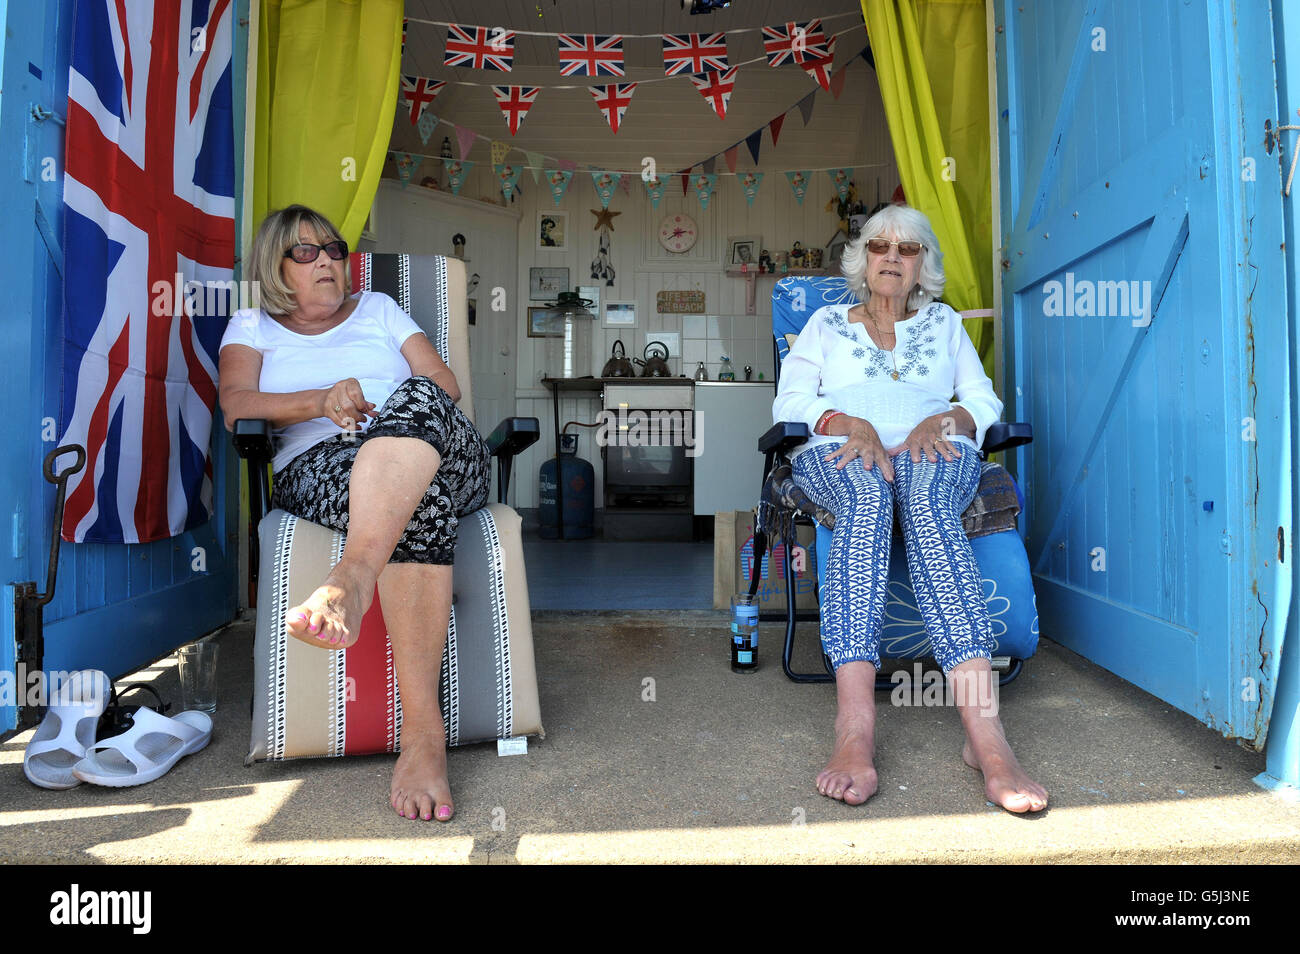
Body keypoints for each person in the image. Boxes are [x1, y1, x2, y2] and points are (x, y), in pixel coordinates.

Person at [772, 203, 1049, 814]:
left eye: (907, 249)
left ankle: (987, 738)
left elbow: (983, 399)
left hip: (936, 446)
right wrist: (853, 424)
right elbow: (789, 400)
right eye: (879, 245)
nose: (891, 257)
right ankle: (854, 732)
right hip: (839, 447)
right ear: (862, 258)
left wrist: (943, 418)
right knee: (868, 493)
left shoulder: (944, 324)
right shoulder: (824, 323)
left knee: (924, 498)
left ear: (923, 264)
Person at [218, 205, 491, 824]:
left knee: (421, 399)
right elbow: (237, 408)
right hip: (321, 466)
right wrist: (320, 400)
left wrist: (389, 423)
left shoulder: (380, 310)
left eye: (334, 249)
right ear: (275, 265)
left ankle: (354, 575)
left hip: (438, 453)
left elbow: (444, 386)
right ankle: (423, 738)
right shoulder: (252, 325)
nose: (327, 261)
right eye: (306, 251)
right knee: (420, 505)